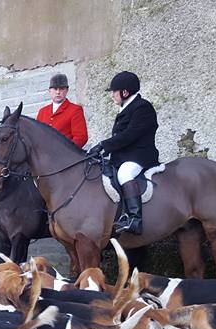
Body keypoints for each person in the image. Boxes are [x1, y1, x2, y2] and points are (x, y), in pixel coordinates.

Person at [91, 71, 159, 236]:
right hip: (124, 156)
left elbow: (129, 135)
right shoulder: (126, 108)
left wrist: (104, 145)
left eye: (114, 92)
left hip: (140, 156)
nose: (112, 96)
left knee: (124, 174)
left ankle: (135, 219)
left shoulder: (142, 107)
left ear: (125, 92)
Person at [35, 73, 88, 148]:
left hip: (67, 157)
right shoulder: (42, 112)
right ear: (49, 91)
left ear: (67, 90)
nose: (58, 92)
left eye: (61, 89)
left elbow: (81, 137)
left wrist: (64, 152)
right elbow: (37, 136)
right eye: (55, 89)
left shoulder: (75, 110)